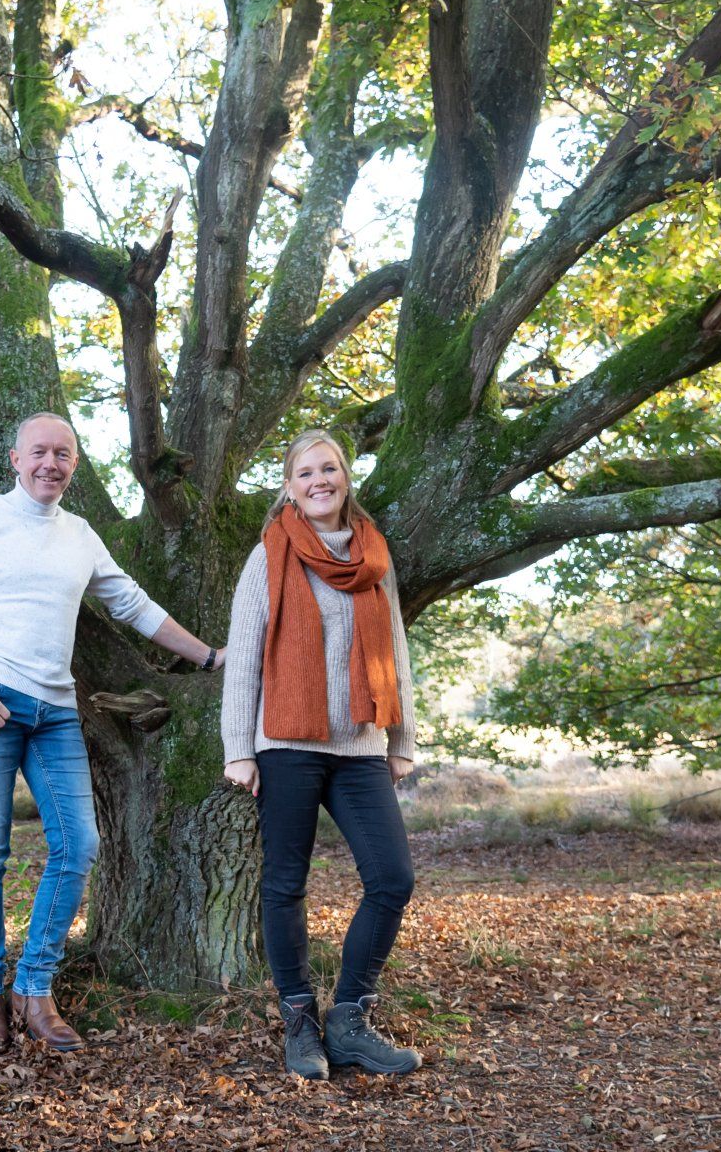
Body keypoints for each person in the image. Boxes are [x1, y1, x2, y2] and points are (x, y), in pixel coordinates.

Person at [0, 412, 224, 1054]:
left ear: (75, 464)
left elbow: (132, 604)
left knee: (80, 845)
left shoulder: (80, 535)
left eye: (65, 454)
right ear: (15, 458)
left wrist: (210, 658)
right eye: (40, 452)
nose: (52, 463)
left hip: (55, 712)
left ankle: (35, 987)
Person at [221, 428, 422, 1080]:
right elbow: (244, 659)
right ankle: (301, 1023)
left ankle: (350, 1022)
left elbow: (394, 652)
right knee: (285, 885)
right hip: (286, 745)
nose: (318, 481)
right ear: (290, 486)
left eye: (328, 469)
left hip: (360, 744)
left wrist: (402, 740)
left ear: (344, 476)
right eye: (305, 473)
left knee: (392, 879)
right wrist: (238, 749)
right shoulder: (270, 558)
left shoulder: (372, 557)